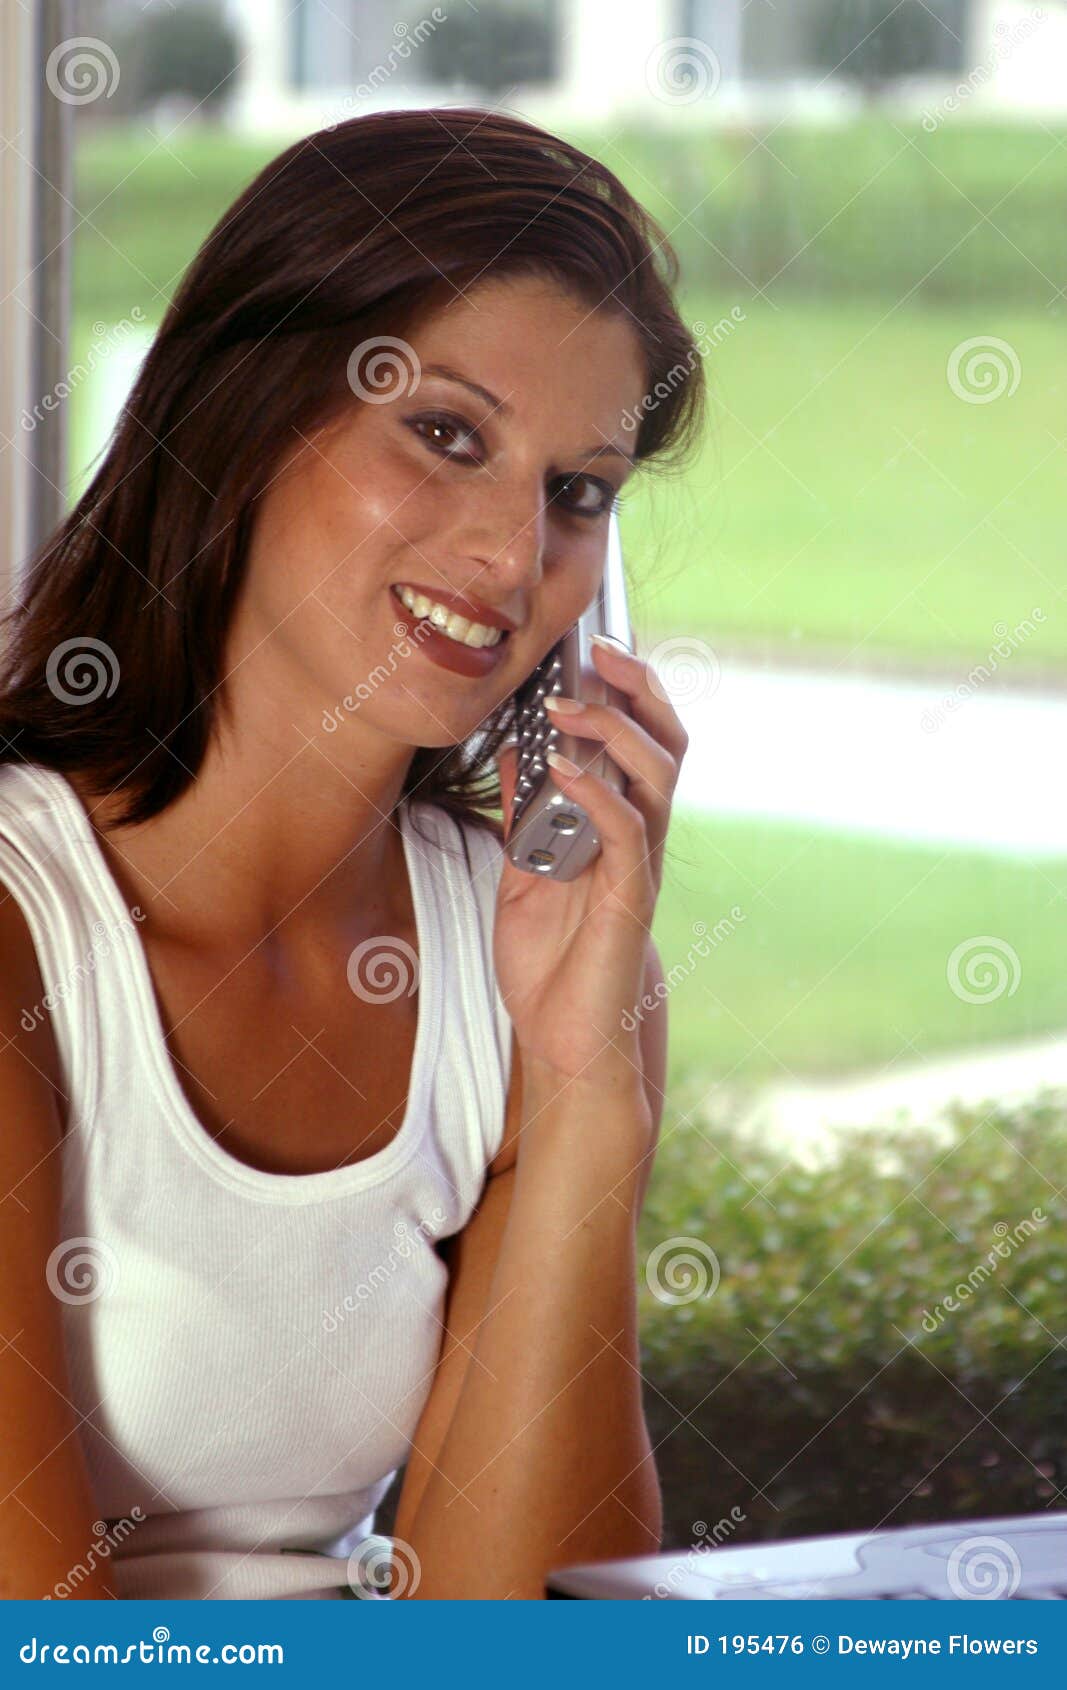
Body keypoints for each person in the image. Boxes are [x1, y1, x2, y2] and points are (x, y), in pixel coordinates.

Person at [0, 106, 705, 1600]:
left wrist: (583, 1093)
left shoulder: (532, 977)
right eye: (447, 435)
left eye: (577, 493)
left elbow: (528, 1637)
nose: (516, 560)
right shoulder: (25, 930)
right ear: (243, 413)